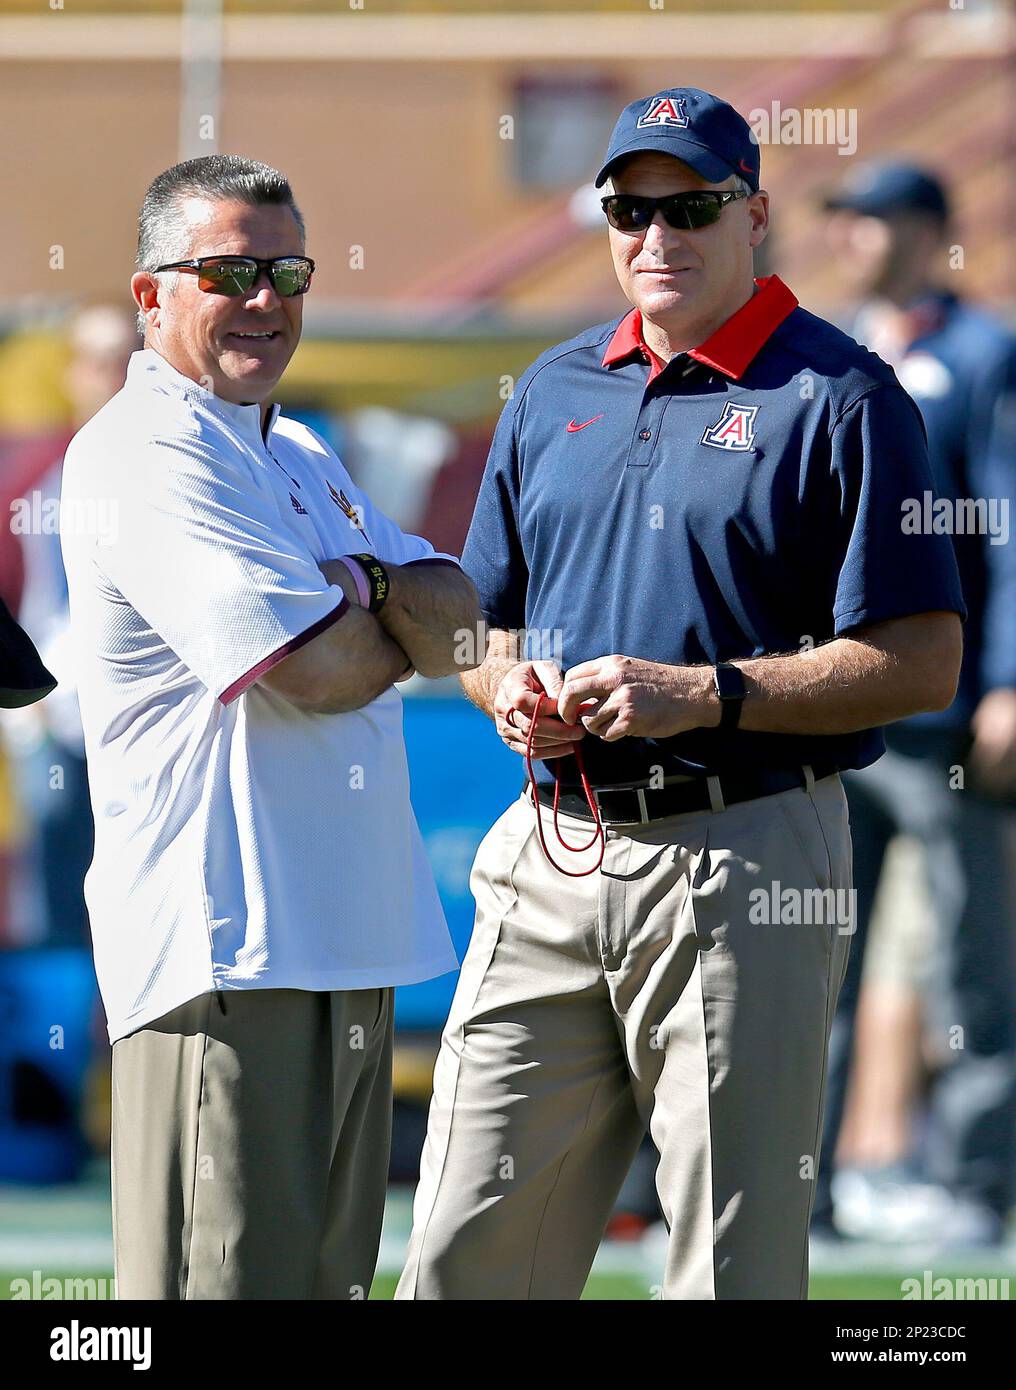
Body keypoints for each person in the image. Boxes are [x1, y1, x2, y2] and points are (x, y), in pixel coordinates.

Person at [395, 88, 965, 1301]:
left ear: (753, 213)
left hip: (744, 852)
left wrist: (697, 692)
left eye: (691, 204)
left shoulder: (844, 396)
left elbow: (919, 660)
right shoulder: (549, 389)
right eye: (629, 207)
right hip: (548, 847)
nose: (657, 233)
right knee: (459, 1254)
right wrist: (507, 687)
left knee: (726, 1267)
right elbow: (474, 618)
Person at [60, 155, 482, 1299]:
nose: (263, 298)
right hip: (227, 949)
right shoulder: (143, 451)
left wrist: (365, 592)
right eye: (229, 271)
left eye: (284, 270)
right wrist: (376, 598)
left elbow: (457, 625)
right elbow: (322, 671)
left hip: (336, 944)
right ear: (153, 297)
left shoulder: (290, 448)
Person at [814, 162, 1016, 1246]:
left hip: (942, 720)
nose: (853, 238)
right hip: (828, 714)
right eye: (841, 220)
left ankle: (978, 1188)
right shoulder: (827, 353)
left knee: (970, 960)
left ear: (931, 230)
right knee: (806, 960)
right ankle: (802, 1189)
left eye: (875, 218)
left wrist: (1006, 679)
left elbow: (1012, 523)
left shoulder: (984, 354)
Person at [9, 305, 138, 947]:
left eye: (125, 360)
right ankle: (64, 1042)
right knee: (61, 906)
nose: (110, 378)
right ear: (73, 372)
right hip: (55, 727)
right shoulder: (34, 479)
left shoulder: (175, 470)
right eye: (97, 362)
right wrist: (26, 718)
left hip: (148, 727)